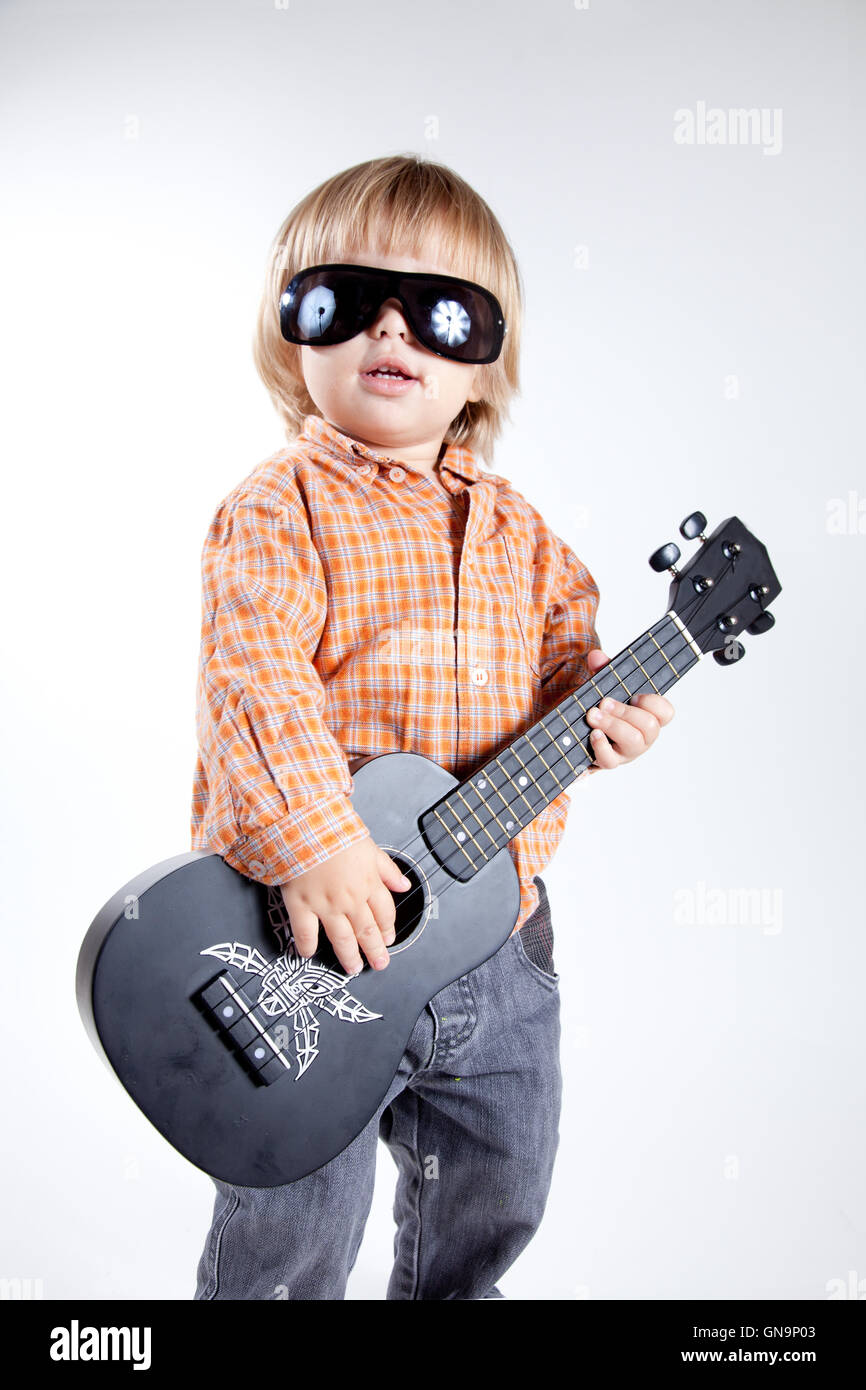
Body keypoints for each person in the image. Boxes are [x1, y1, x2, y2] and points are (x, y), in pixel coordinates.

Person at [190, 154, 674, 1300]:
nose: (390, 329)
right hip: (306, 937)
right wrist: (317, 840)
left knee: (501, 1182)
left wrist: (610, 703)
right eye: (344, 301)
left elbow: (569, 656)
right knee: (296, 1220)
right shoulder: (280, 504)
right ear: (290, 333)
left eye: (439, 310)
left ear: (481, 363)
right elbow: (251, 675)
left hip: (498, 941)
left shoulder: (523, 532)